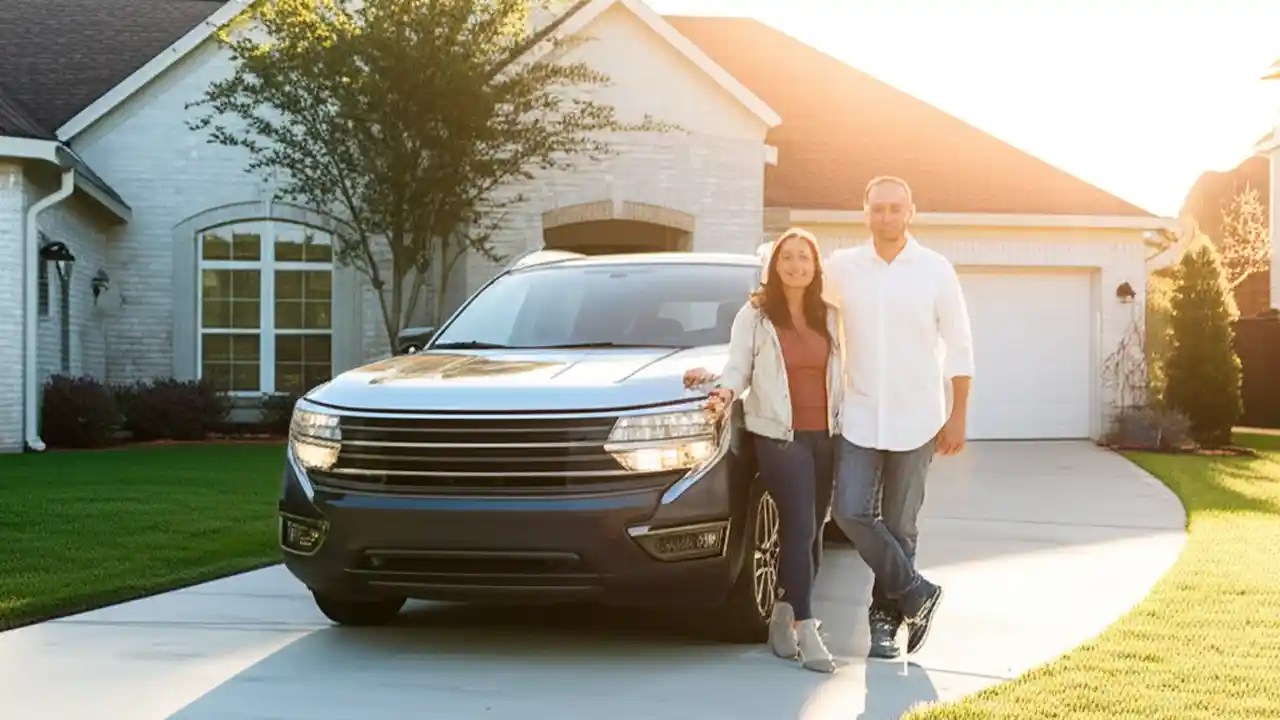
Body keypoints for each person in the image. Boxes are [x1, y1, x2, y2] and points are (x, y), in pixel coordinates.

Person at [824, 175, 975, 659]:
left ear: (911, 212)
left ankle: (885, 622)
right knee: (849, 512)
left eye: (895, 208)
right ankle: (917, 594)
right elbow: (792, 292)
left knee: (899, 524)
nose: (886, 216)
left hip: (919, 416)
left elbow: (960, 343)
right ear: (865, 211)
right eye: (878, 208)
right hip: (860, 413)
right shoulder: (842, 268)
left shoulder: (935, 270)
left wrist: (959, 413)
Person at [682, 227, 845, 673]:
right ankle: (807, 628)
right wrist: (722, 390)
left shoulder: (830, 316)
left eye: (804, 257)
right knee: (798, 526)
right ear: (774, 265)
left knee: (813, 531)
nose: (796, 265)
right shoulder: (754, 315)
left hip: (825, 435)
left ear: (815, 266)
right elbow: (739, 366)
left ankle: (781, 618)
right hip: (777, 435)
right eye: (787, 257)